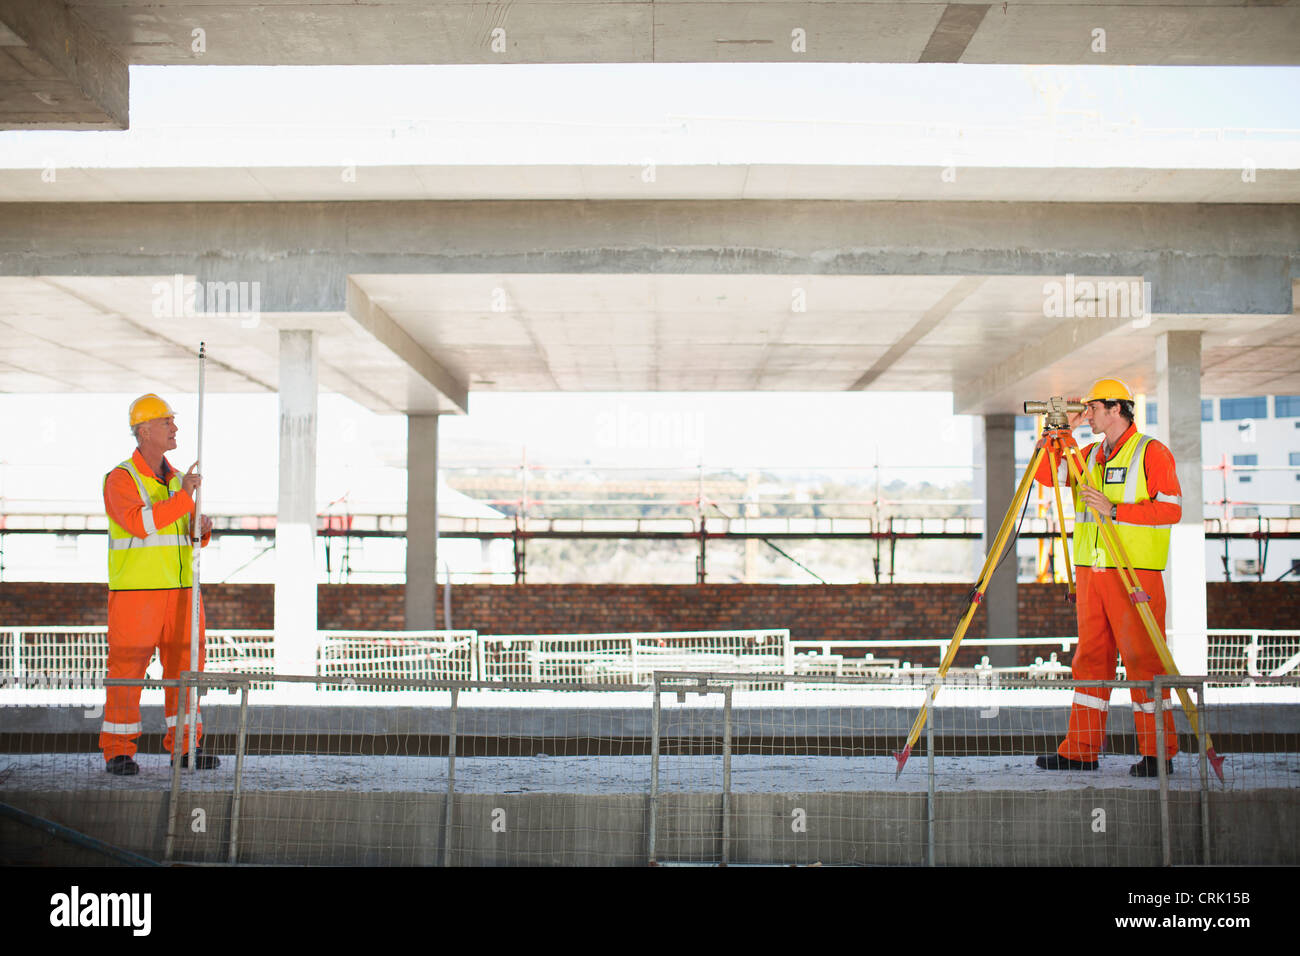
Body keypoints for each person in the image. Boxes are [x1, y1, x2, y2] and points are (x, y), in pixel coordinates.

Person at [1032, 378, 1182, 777]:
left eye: (1093, 407)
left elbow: (1171, 510)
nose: (1089, 413)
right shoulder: (1091, 454)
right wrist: (1064, 432)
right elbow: (1045, 475)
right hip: (1091, 574)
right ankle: (1080, 750)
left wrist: (1115, 510)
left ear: (1117, 408)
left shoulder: (1151, 452)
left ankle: (1158, 753)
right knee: (1091, 661)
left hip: (1134, 574)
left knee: (1143, 661)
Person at [101, 393, 219, 775]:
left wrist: (199, 530)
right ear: (144, 430)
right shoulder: (121, 479)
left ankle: (187, 748)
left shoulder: (174, 481)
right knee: (127, 672)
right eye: (167, 422)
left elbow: (176, 533)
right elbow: (141, 524)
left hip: (183, 593)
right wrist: (185, 497)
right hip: (138, 595)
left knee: (186, 672)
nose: (175, 428)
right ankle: (118, 751)